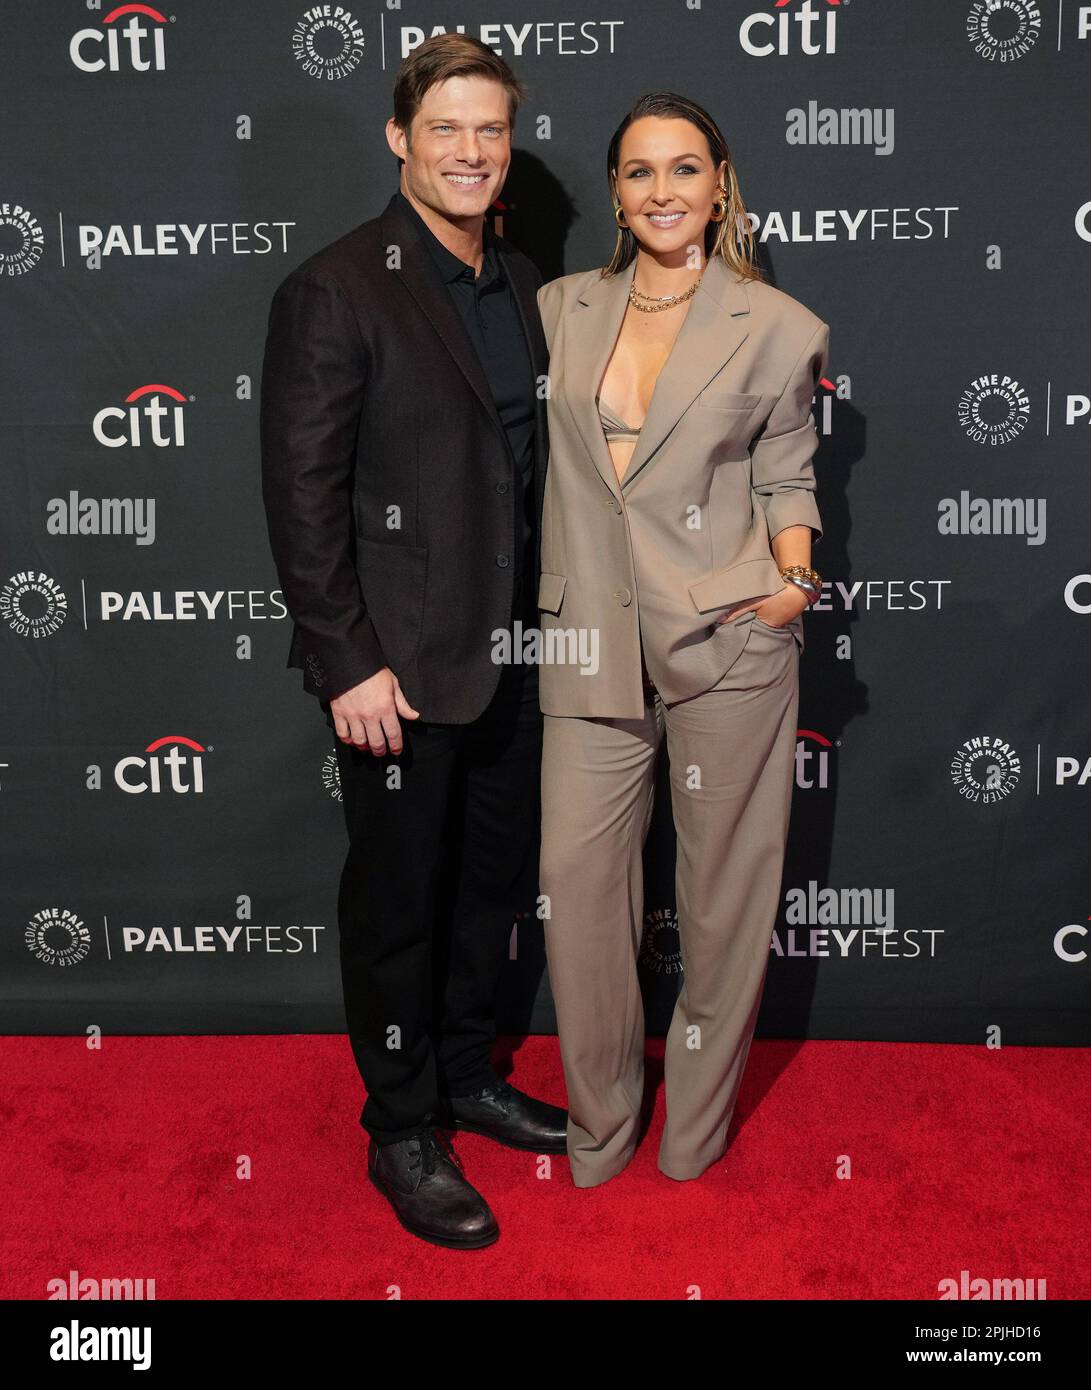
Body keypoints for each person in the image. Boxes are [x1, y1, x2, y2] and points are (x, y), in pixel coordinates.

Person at [260, 33, 567, 1250]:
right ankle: (401, 1124)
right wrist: (346, 659)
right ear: (399, 140)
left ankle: (462, 1075)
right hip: (393, 667)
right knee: (397, 900)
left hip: (513, 659)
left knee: (487, 886)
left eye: (490, 131)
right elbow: (301, 492)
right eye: (446, 128)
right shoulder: (338, 285)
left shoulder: (525, 283)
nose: (470, 151)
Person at [536, 92, 828, 1187]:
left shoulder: (780, 324)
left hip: (726, 632)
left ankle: (694, 1126)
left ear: (719, 184)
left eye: (684, 169)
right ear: (614, 192)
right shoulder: (559, 308)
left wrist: (789, 584)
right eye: (639, 171)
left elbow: (786, 474)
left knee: (721, 897)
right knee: (576, 883)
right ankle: (598, 1124)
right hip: (584, 637)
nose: (662, 190)